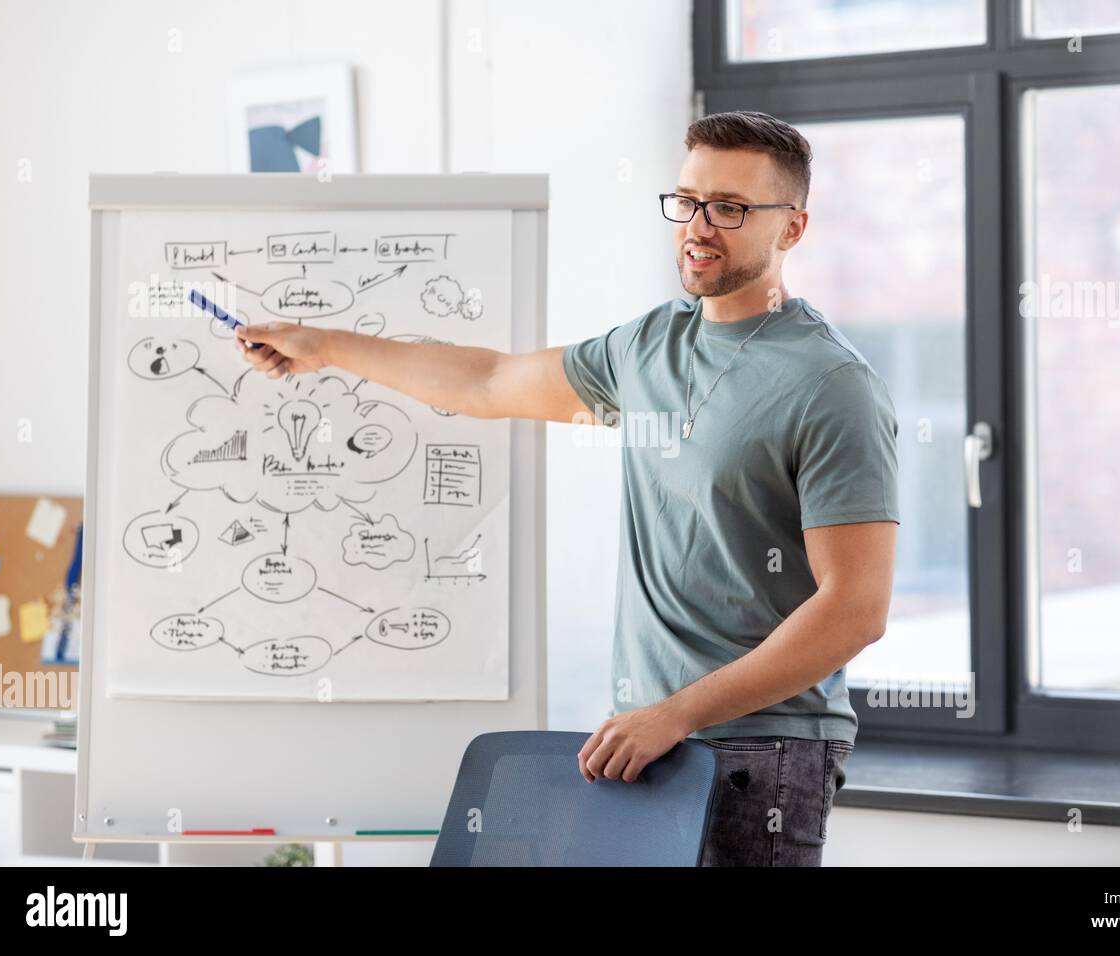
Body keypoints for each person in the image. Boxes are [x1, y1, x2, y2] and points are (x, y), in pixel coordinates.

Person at [236, 109, 900, 867]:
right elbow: (488, 382)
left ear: (792, 229)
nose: (698, 226)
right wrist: (322, 347)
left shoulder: (830, 384)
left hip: (762, 748)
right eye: (686, 201)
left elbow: (854, 609)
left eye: (731, 208)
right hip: (645, 737)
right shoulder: (652, 345)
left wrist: (676, 715)